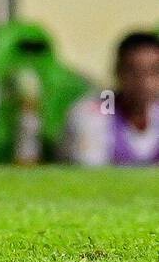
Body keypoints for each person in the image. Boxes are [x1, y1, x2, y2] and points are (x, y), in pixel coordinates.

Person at [62, 31, 159, 166]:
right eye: (134, 72)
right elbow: (90, 172)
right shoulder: (94, 112)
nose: (144, 82)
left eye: (153, 72)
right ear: (117, 71)